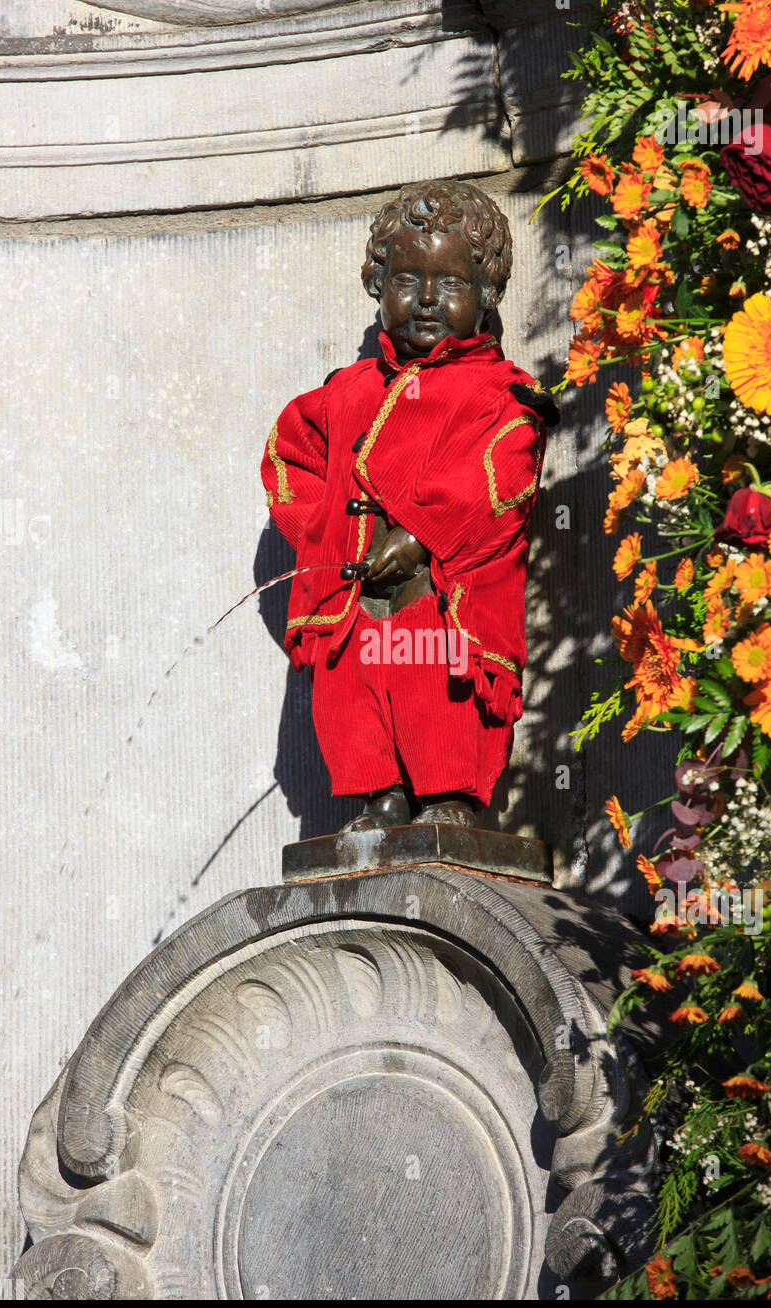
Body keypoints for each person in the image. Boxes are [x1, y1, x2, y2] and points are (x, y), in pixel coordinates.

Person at [261, 178, 557, 831]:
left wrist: (424, 534)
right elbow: (288, 455)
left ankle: (447, 798)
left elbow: (505, 476)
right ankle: (380, 795)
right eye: (406, 280)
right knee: (353, 689)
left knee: (438, 690)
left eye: (449, 284)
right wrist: (329, 533)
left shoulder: (499, 393)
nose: (426, 299)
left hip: (439, 590)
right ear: (377, 283)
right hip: (355, 593)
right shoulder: (346, 393)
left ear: (487, 294)